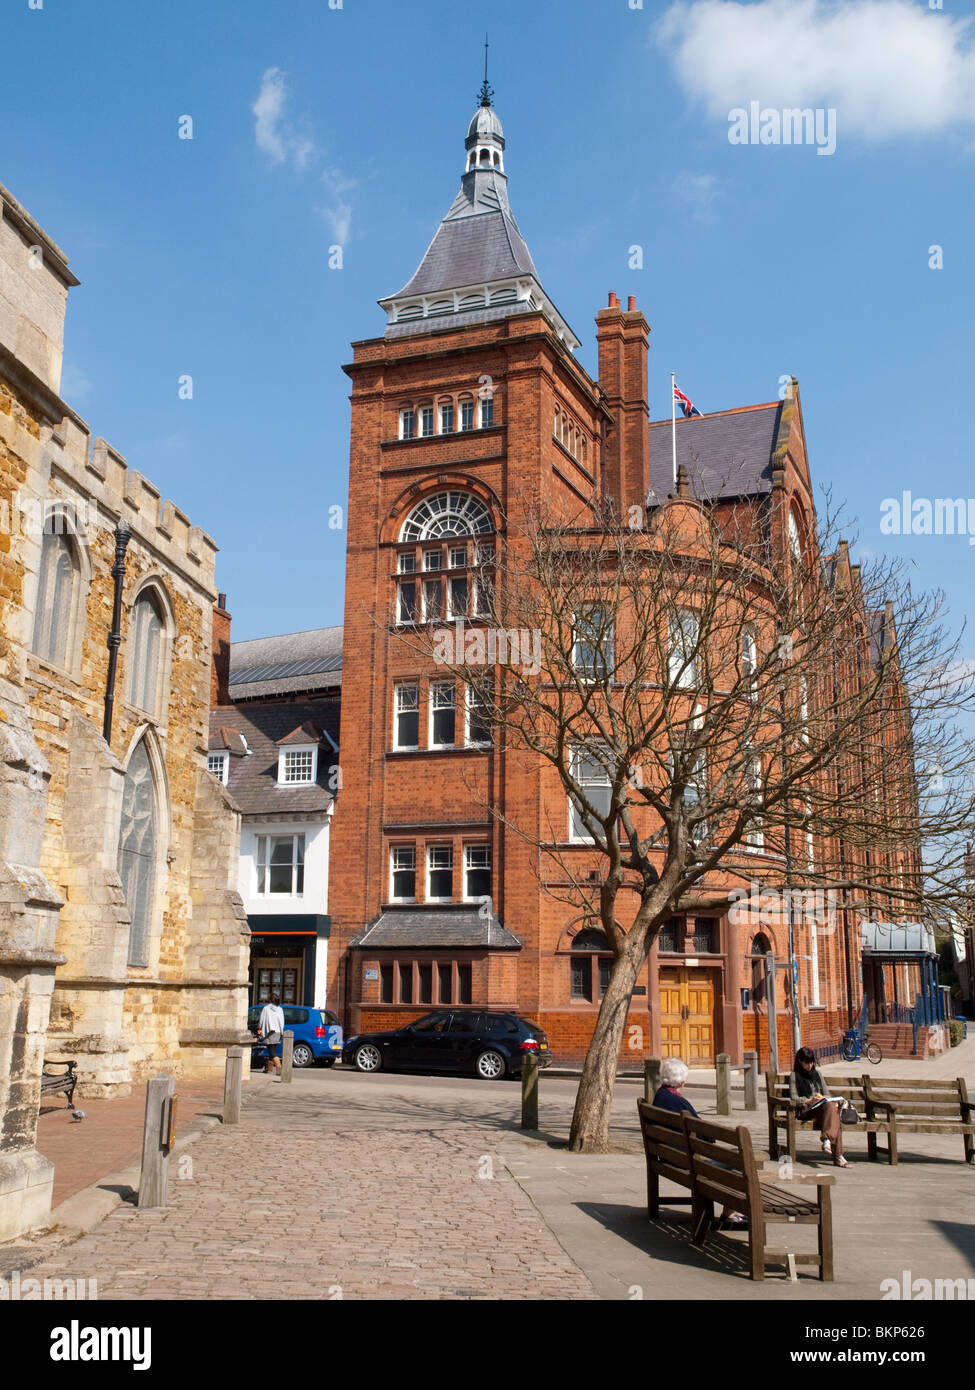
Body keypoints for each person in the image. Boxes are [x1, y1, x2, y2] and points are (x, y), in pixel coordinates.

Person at [652, 1057, 746, 1227]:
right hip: (687, 1162)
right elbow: (706, 1135)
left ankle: (730, 1210)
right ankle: (729, 1212)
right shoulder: (678, 1101)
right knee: (738, 1159)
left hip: (669, 1156)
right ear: (681, 1081)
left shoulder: (660, 1096)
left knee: (731, 1160)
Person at [789, 1046, 850, 1167]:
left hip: (822, 1108)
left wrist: (821, 1098)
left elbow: (827, 1093)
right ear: (800, 1061)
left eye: (812, 1062)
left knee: (831, 1109)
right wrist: (808, 1100)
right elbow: (794, 1098)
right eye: (807, 1063)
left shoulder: (817, 1074)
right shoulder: (794, 1075)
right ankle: (838, 1156)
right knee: (833, 1113)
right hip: (807, 1110)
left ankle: (827, 1141)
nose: (810, 1065)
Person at [258, 992, 285, 1076]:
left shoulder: (266, 1009)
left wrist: (259, 1029)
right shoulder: (280, 1009)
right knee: (272, 1050)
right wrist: (281, 1032)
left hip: (269, 1032)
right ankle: (268, 1069)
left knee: (271, 1050)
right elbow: (282, 1021)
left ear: (270, 999)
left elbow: (261, 1021)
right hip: (278, 1032)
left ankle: (278, 1065)